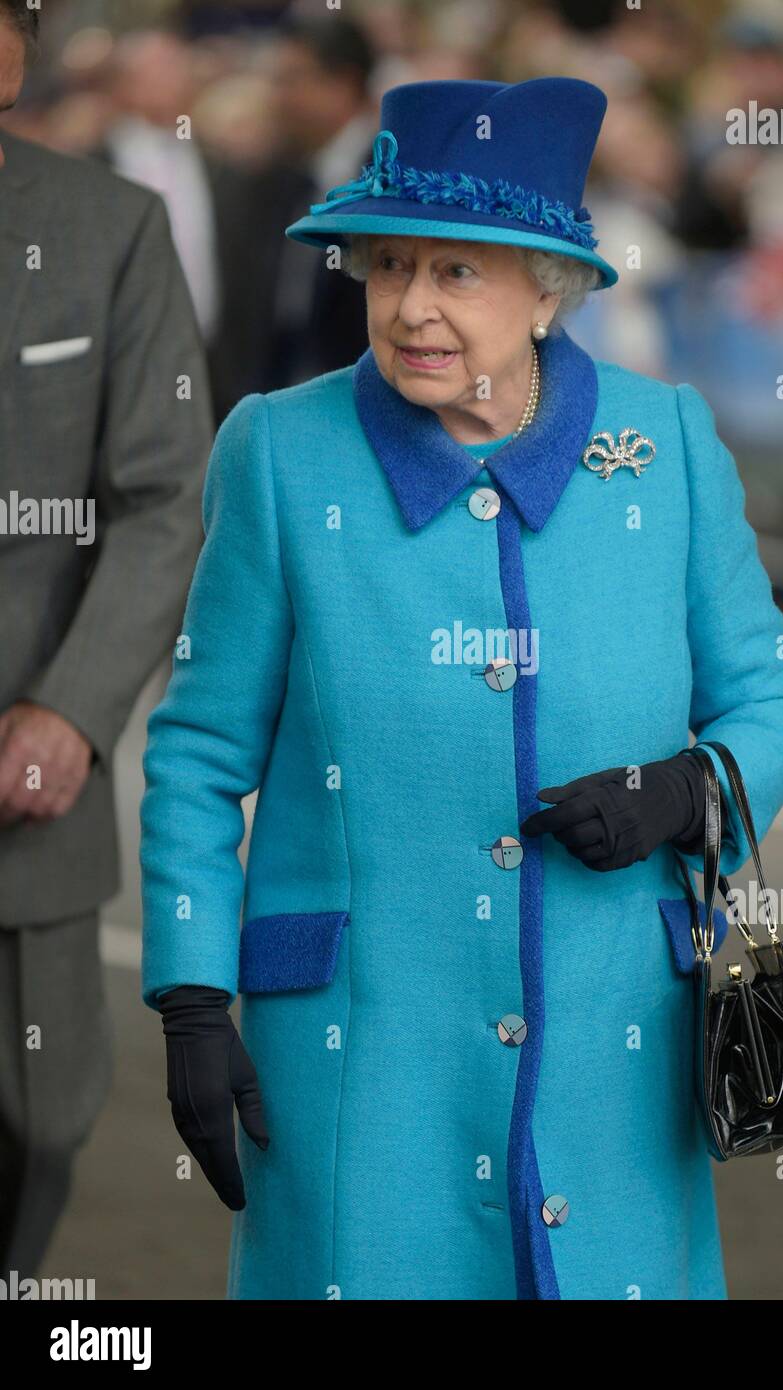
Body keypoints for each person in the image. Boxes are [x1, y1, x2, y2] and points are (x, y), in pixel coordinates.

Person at [140, 76, 783, 1301]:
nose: (408, 307)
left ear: (548, 287)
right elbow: (198, 754)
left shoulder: (664, 446)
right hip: (361, 1054)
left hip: (615, 1055)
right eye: (388, 264)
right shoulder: (282, 452)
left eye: (457, 272)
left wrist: (683, 793)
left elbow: (774, 704)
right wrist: (191, 994)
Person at [0, 0, 213, 1278]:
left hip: (26, 789)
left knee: (36, 1126)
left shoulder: (108, 228)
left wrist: (74, 709)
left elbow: (165, 495)